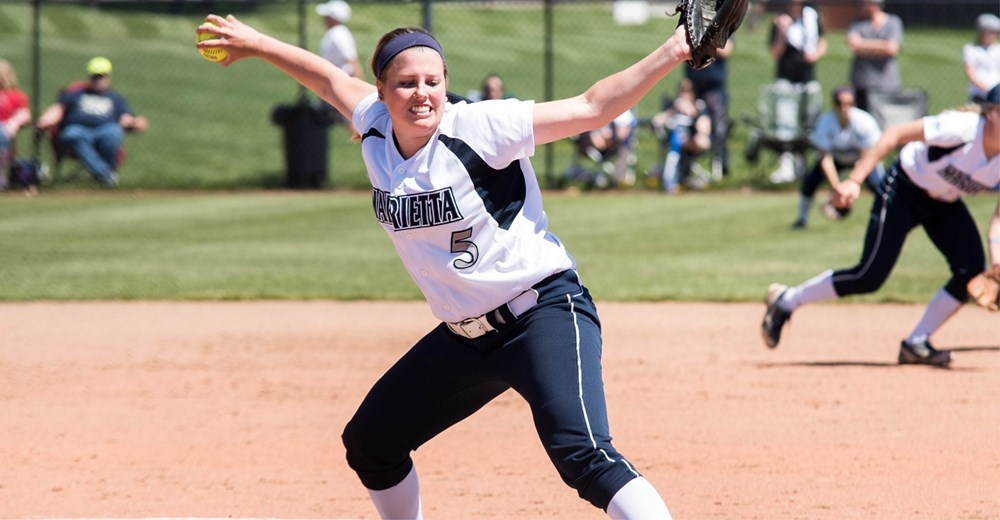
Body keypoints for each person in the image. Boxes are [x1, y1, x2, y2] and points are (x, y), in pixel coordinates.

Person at [197, 13, 688, 518]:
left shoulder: (478, 127)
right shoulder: (374, 125)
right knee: (371, 443)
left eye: (433, 81)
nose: (422, 94)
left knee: (583, 455)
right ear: (382, 91)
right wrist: (256, 43)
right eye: (406, 83)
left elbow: (591, 107)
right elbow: (325, 78)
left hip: (541, 314)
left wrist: (675, 49)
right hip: (465, 338)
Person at [762, 83, 1000, 368]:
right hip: (904, 188)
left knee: (970, 270)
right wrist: (854, 181)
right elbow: (894, 135)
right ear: (990, 113)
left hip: (944, 203)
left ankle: (915, 343)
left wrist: (997, 261)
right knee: (869, 275)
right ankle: (786, 300)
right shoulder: (962, 127)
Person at [36, 57, 147, 187]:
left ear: (108, 77)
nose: (98, 80)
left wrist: (136, 123)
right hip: (78, 132)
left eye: (101, 76)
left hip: (102, 135)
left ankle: (104, 174)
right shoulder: (76, 94)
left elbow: (126, 119)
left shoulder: (114, 98)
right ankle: (105, 174)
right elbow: (58, 109)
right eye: (95, 76)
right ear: (90, 77)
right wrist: (46, 120)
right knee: (72, 134)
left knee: (113, 132)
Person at [792, 85, 883, 229]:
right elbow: (825, 158)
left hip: (861, 160)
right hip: (836, 159)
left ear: (854, 104)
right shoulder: (825, 122)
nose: (844, 108)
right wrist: (837, 188)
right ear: (834, 104)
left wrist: (853, 183)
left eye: (849, 104)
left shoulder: (865, 121)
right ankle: (801, 220)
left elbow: (867, 156)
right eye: (840, 103)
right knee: (810, 182)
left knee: (879, 186)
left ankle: (885, 219)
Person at [768, 0, 827, 184]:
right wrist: (782, 32)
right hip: (786, 78)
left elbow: (822, 42)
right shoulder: (780, 21)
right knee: (786, 123)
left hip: (807, 78)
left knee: (808, 124)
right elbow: (775, 53)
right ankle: (786, 166)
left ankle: (804, 166)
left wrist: (815, 54)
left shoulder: (811, 18)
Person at [649, 78, 712, 193]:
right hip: (673, 141)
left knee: (701, 140)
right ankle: (670, 183)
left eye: (687, 92)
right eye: (681, 91)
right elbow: (657, 121)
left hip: (691, 141)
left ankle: (683, 178)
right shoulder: (673, 106)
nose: (683, 95)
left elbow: (704, 128)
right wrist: (672, 111)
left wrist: (692, 113)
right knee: (674, 147)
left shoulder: (698, 106)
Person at [684, 37, 733, 181]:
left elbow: (727, 50)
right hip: (693, 86)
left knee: (719, 129)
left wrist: (705, 38)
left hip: (713, 86)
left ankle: (721, 167)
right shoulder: (690, 23)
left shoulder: (721, 25)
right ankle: (686, 167)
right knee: (690, 127)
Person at [846, 0, 903, 113]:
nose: (861, 5)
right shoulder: (857, 23)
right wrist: (882, 45)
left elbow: (891, 49)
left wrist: (863, 44)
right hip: (861, 84)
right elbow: (853, 45)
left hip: (886, 85)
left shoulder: (893, 22)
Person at [0, 59, 32, 191]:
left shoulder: (15, 95)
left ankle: (2, 178)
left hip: (4, 131)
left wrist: (13, 123)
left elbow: (25, 115)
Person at [317, 0, 362, 80]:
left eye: (327, 16)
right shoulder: (335, 32)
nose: (324, 18)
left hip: (341, 80)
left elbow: (352, 61)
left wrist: (360, 84)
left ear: (332, 18)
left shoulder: (338, 34)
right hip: (335, 79)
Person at [962, 13, 1000, 103]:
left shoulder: (998, 49)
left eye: (994, 32)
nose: (992, 35)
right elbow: (970, 72)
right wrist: (987, 89)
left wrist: (996, 90)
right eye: (989, 32)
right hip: (979, 95)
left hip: (997, 95)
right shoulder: (971, 49)